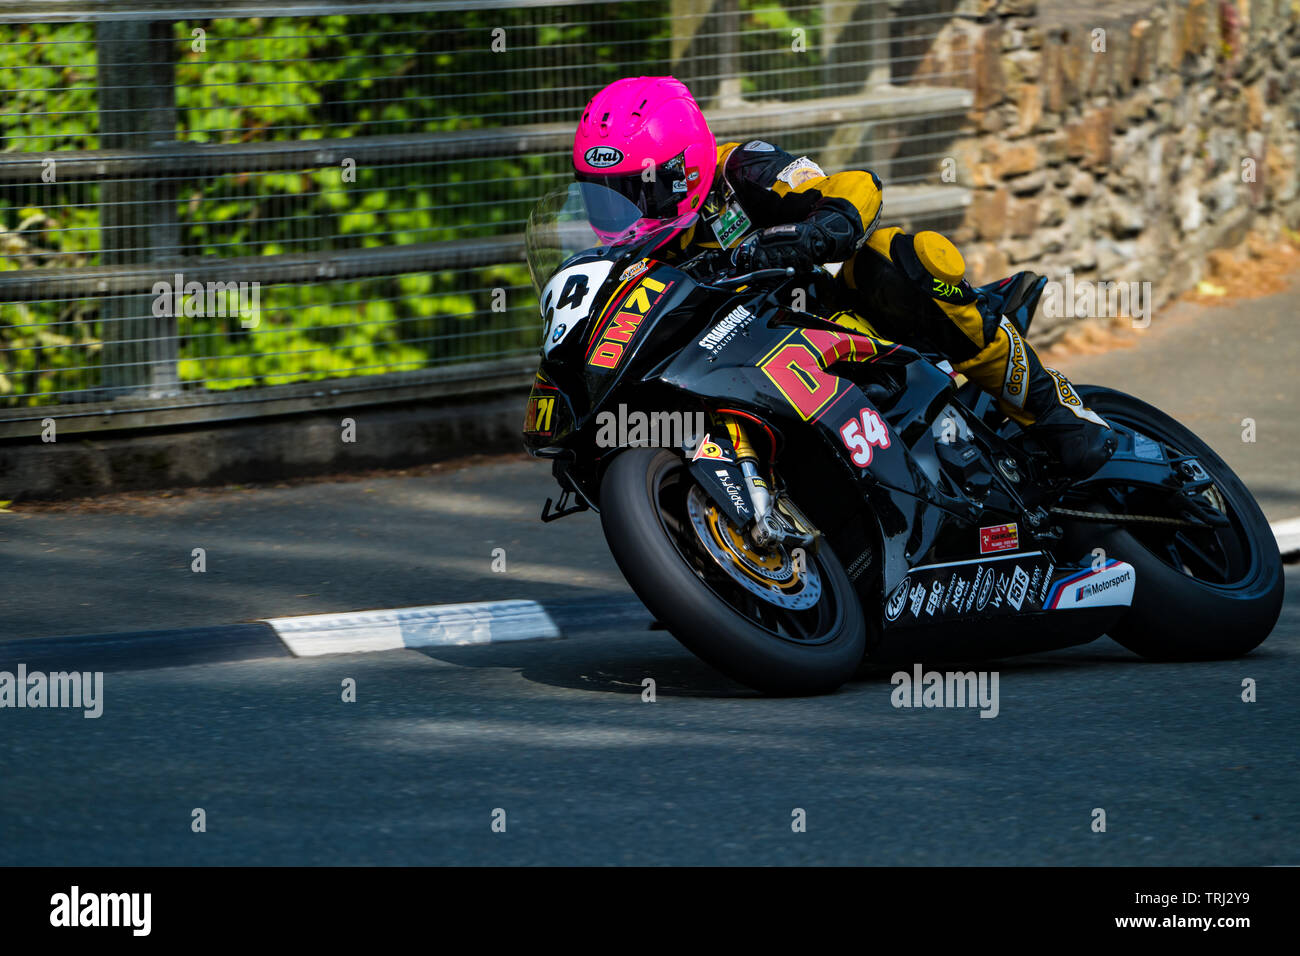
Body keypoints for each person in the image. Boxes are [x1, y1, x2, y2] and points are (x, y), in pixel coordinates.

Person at [571, 75, 1116, 477]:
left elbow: (852, 183)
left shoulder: (743, 168)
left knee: (902, 256)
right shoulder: (630, 262)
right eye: (603, 195)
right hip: (741, 374)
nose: (621, 215)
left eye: (634, 191)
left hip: (836, 329)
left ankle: (1054, 409)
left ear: (686, 169)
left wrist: (824, 227)